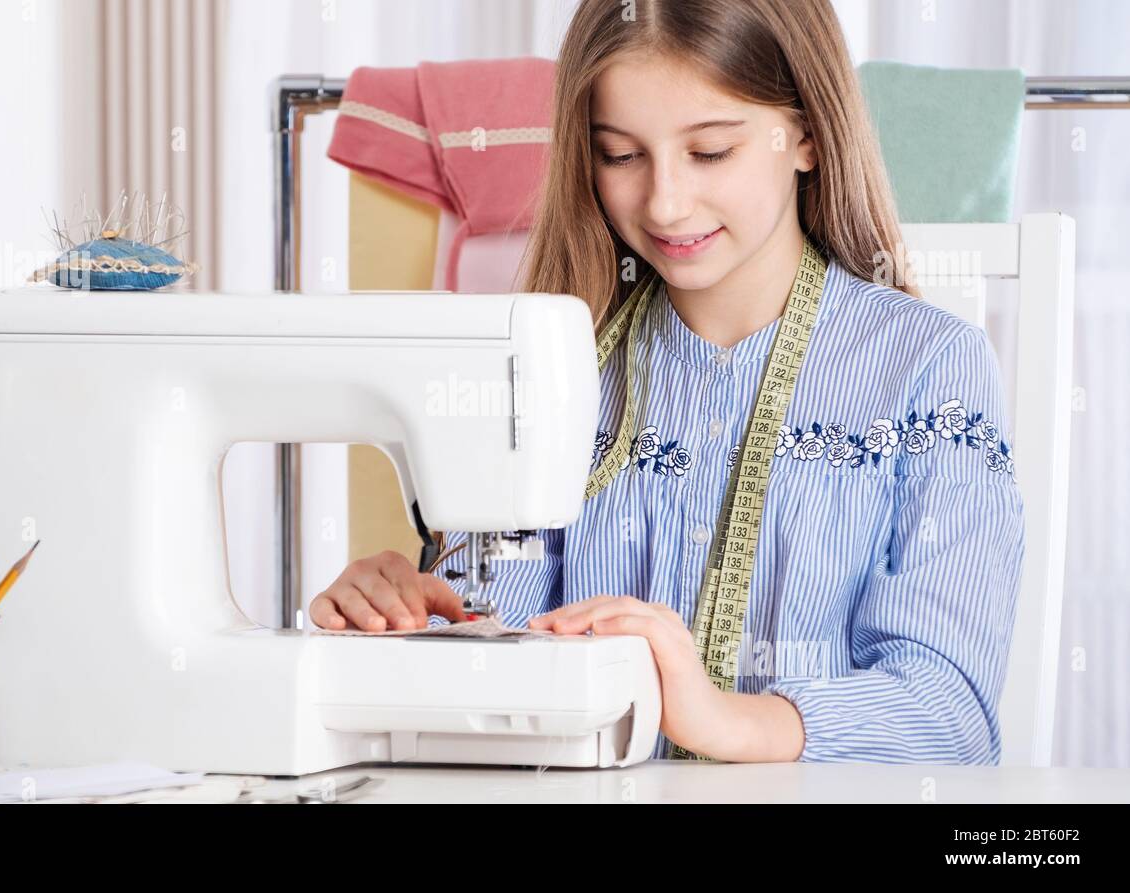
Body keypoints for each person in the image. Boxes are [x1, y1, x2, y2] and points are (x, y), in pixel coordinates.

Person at [308, 0, 1025, 765]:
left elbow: (950, 712)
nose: (664, 202)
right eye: (620, 154)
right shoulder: (560, 373)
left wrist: (728, 720)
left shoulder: (929, 368)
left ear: (808, 134)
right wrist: (408, 624)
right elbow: (495, 652)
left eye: (710, 151)